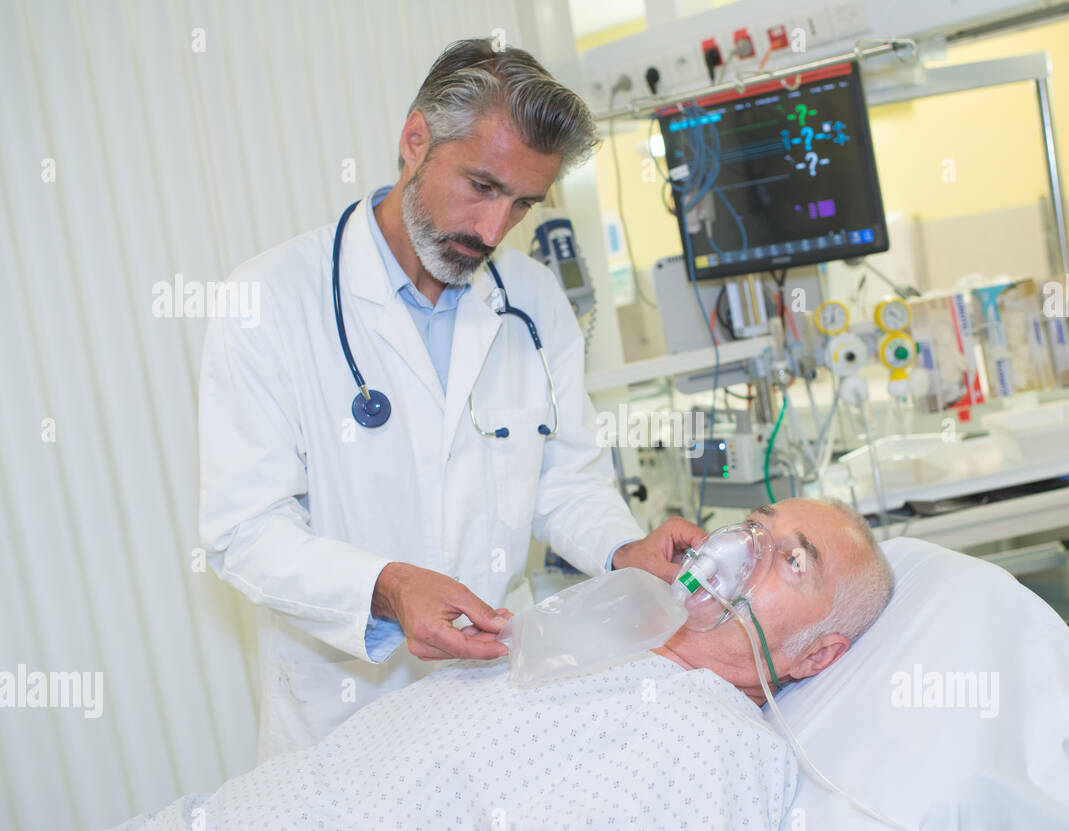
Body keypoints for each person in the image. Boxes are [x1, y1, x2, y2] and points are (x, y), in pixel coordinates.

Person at [198, 37, 703, 760]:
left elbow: (564, 479)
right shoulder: (270, 300)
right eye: (482, 187)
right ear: (415, 141)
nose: (495, 231)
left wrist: (624, 548)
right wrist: (390, 587)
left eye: (523, 204)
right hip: (346, 708)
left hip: (501, 687)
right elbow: (243, 531)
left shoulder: (531, 300)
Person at [11, 499, 895, 831]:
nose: (743, 551)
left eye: (791, 561)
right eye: (755, 525)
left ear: (816, 657)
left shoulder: (716, 749)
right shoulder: (620, 637)